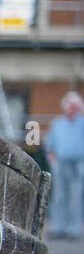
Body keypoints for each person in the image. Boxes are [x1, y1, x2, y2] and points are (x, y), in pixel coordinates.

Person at [45, 90, 84, 239]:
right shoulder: (57, 123)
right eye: (70, 105)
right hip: (60, 163)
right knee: (59, 196)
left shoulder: (82, 123)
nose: (72, 108)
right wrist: (52, 161)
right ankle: (58, 227)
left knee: (75, 196)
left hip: (78, 164)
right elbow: (49, 145)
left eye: (75, 105)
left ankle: (73, 229)